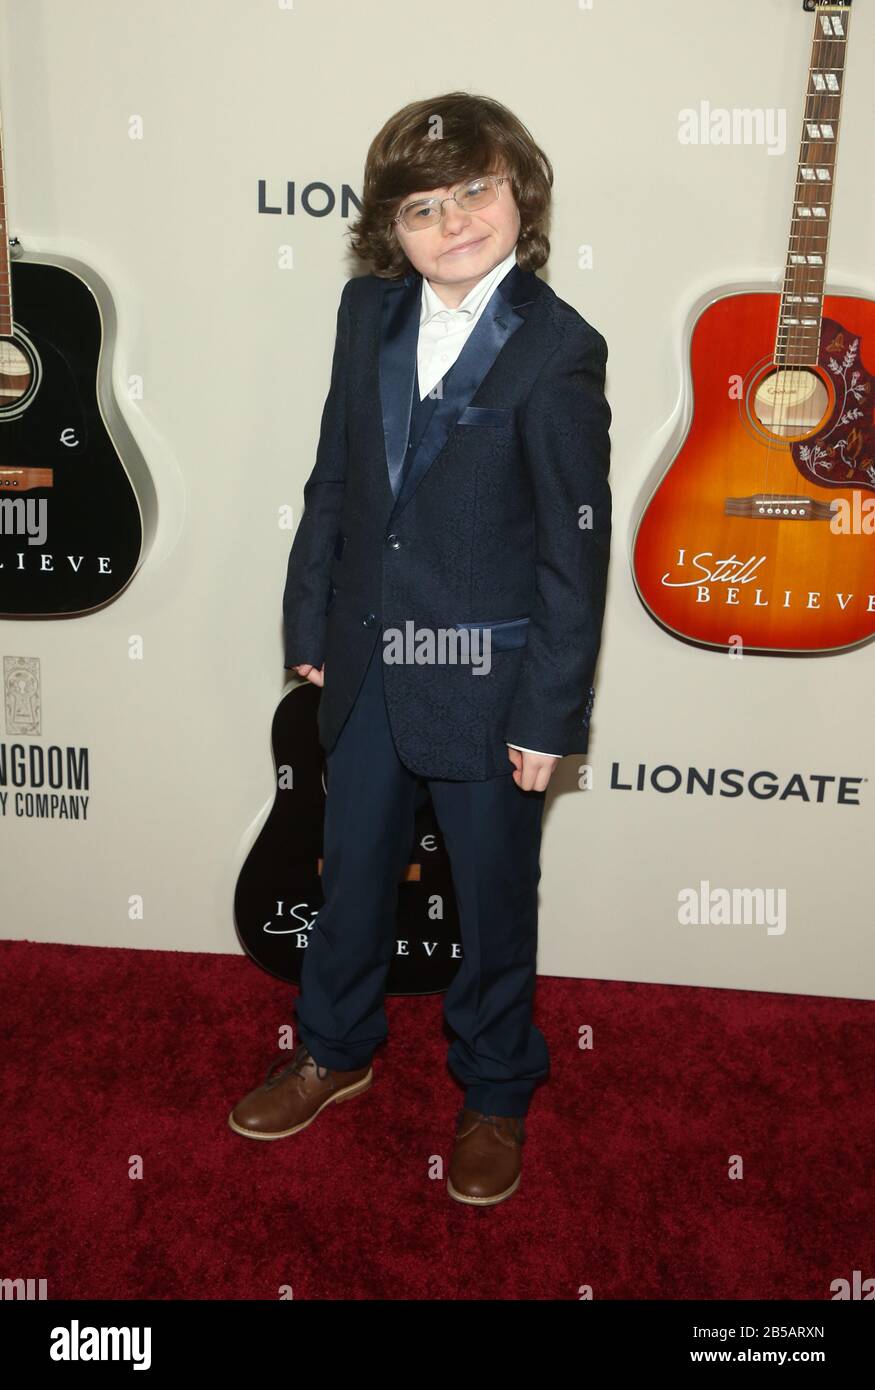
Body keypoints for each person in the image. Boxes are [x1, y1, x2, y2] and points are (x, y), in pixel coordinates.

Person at [229, 91, 612, 1206]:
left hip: (489, 690)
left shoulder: (557, 350)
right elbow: (335, 478)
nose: (452, 224)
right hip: (361, 666)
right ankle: (333, 1047)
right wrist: (309, 621)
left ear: (520, 194)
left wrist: (548, 713)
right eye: (421, 208)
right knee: (347, 876)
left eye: (473, 194)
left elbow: (570, 551)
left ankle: (494, 1088)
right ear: (387, 229)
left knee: (492, 900)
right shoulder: (366, 313)